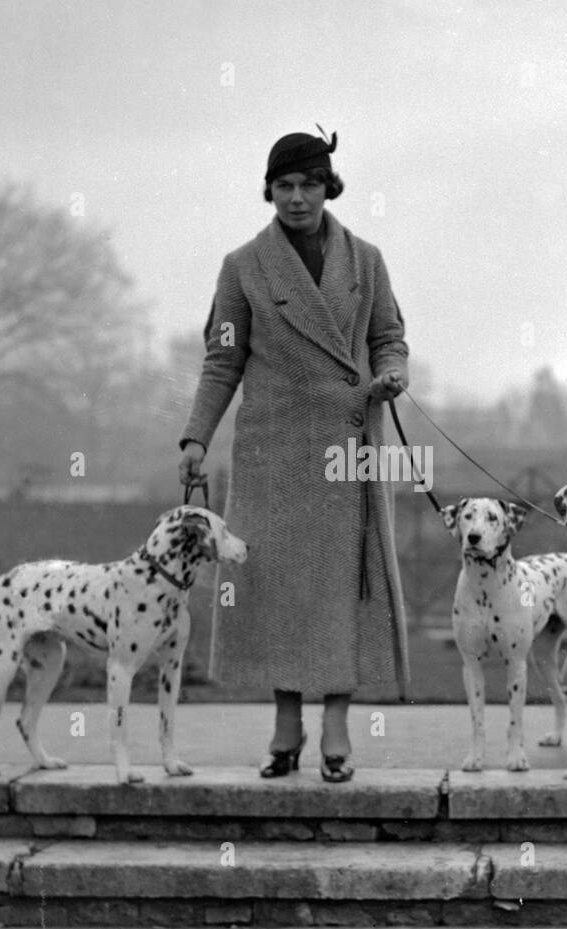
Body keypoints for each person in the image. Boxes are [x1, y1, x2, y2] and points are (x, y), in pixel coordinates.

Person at [179, 128, 411, 782]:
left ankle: (336, 724)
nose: (297, 198)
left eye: (310, 184)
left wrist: (391, 373)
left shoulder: (366, 260)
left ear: (328, 186)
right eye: (284, 186)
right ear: (269, 192)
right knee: (276, 582)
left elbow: (389, 337)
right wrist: (196, 438)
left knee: (342, 581)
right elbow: (222, 360)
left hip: (348, 448)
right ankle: (286, 727)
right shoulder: (243, 266)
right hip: (272, 452)